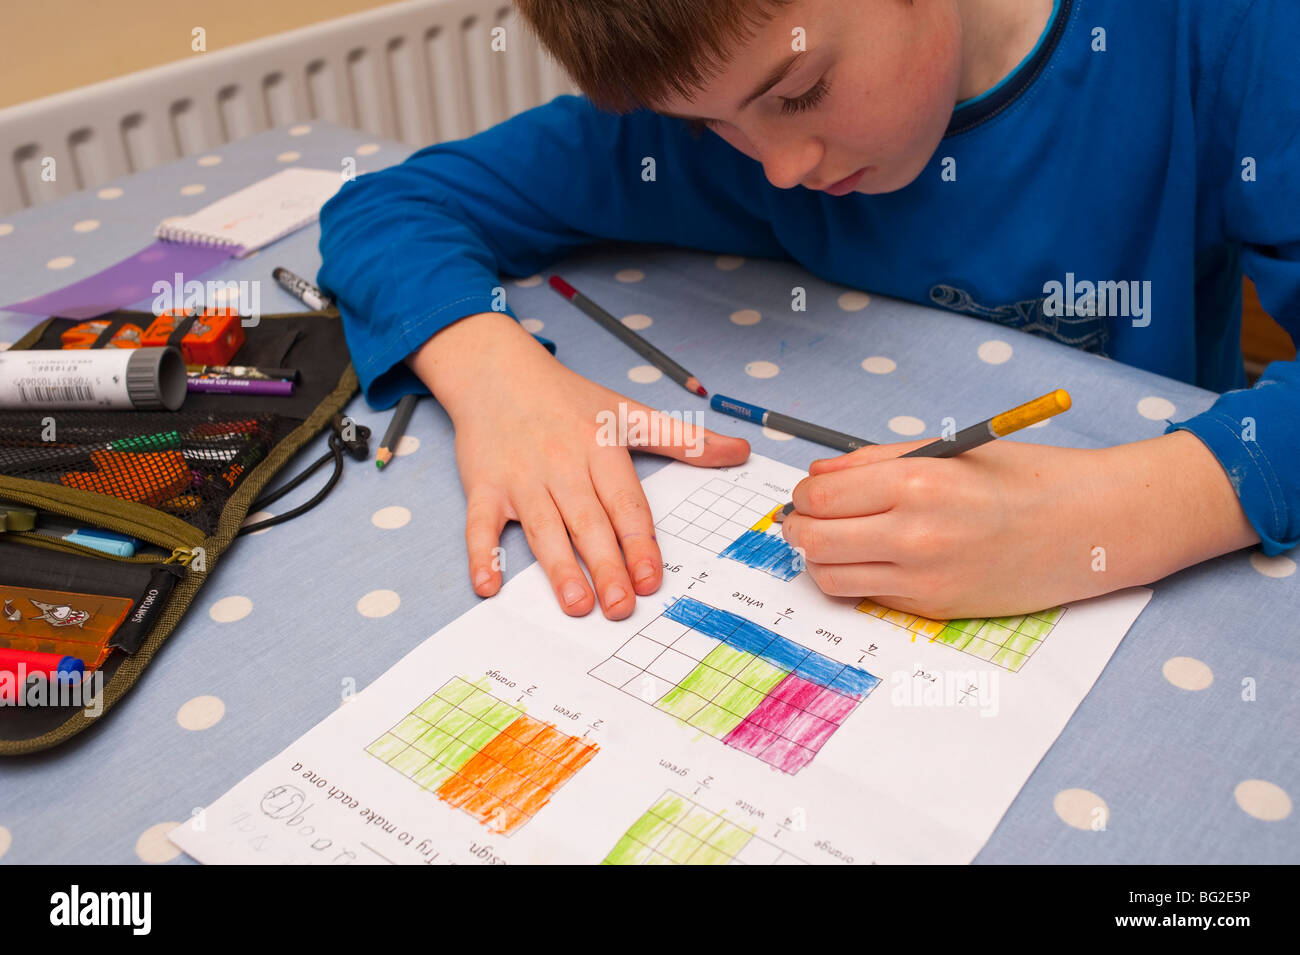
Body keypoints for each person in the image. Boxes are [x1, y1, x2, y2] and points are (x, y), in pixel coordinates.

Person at [318, 0, 1298, 621]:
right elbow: (389, 208)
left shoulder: (1220, 33)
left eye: (800, 91)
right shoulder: (716, 110)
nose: (779, 168)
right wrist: (497, 380)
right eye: (707, 123)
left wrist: (1108, 516)